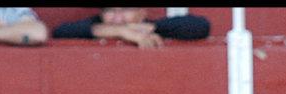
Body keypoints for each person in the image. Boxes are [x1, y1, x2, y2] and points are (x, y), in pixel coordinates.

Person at [52, 7, 210, 48]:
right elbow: (60, 32)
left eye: (126, 10)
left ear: (142, 13)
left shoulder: (150, 26)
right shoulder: (96, 23)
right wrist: (121, 31)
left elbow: (201, 26)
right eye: (110, 11)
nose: (117, 17)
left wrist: (151, 28)